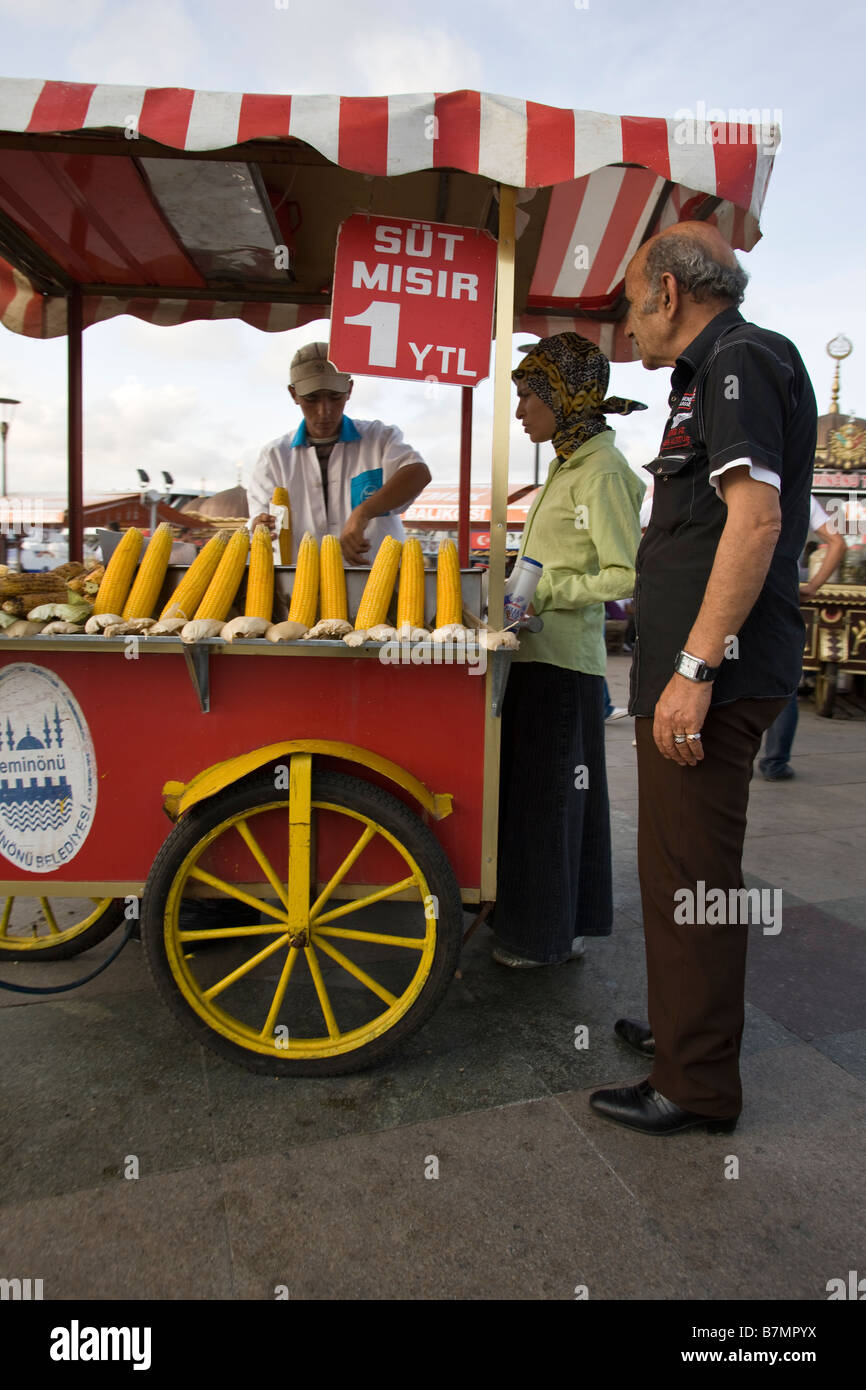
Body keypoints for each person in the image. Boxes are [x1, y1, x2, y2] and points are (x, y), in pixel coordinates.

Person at [589, 221, 817, 1136]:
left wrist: (692, 667)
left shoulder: (739, 360)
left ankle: (698, 1085)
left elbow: (754, 523)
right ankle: (686, 1029)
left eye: (630, 301)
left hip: (711, 677)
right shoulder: (709, 371)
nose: (628, 324)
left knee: (693, 875)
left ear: (669, 293)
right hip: (694, 672)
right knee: (679, 866)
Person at [493, 333, 645, 968]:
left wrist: (547, 589)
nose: (521, 409)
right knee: (551, 795)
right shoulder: (568, 462)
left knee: (550, 798)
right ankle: (565, 924)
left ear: (560, 396)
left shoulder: (603, 472)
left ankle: (541, 937)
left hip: (563, 663)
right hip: (535, 653)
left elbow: (626, 573)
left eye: (528, 395)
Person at [247, 343, 431, 564]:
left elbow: (418, 472)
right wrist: (259, 526)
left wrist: (363, 512)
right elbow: (257, 520)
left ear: (349, 390)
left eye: (334, 397)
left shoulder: (379, 438)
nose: (324, 411)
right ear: (294, 394)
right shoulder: (274, 457)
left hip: (376, 582)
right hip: (299, 590)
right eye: (312, 399)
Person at [759, 496, 846, 779]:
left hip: (736, 583)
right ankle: (775, 763)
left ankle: (728, 758)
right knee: (783, 681)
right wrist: (811, 587)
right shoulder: (802, 494)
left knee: (726, 666)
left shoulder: (740, 479)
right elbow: (837, 543)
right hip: (782, 589)